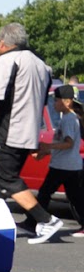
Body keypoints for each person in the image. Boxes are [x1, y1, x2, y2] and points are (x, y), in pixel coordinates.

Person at [0, 23, 65, 243]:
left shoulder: (6, 61)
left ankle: (46, 220)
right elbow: (41, 102)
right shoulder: (42, 66)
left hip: (7, 132)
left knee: (6, 179)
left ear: (4, 43)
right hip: (29, 132)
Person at [36, 84, 84, 228]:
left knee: (44, 193)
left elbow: (69, 143)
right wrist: (45, 152)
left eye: (57, 100)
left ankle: (35, 222)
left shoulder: (69, 119)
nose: (54, 103)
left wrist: (48, 147)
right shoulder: (69, 118)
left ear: (67, 102)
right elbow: (64, 145)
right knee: (75, 197)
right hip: (68, 165)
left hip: (64, 166)